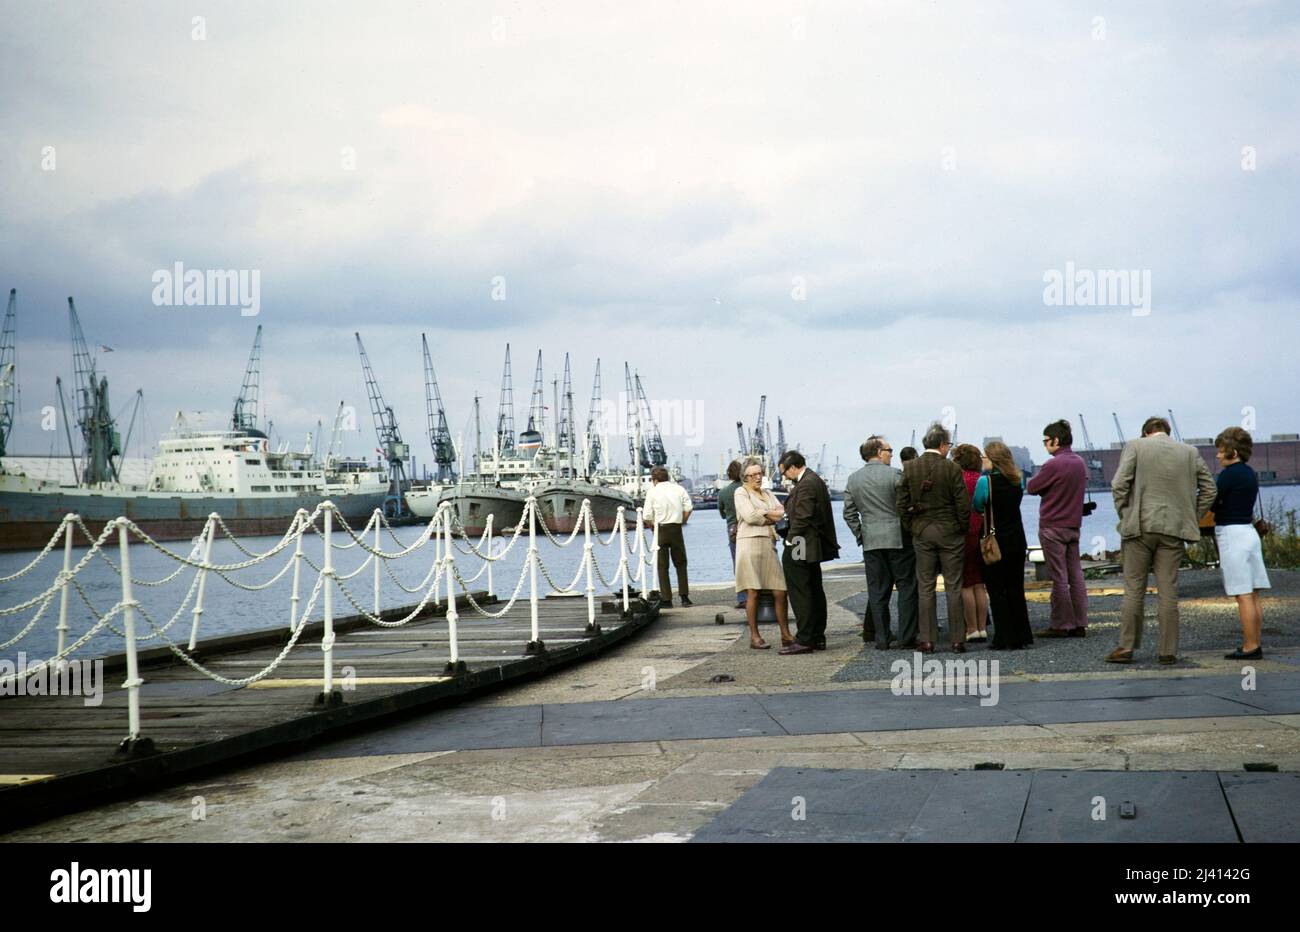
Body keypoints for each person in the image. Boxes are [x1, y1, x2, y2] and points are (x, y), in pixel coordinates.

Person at [1105, 416, 1216, 665]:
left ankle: (1126, 648)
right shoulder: (1190, 452)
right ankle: (1168, 651)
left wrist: (1126, 514)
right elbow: (1209, 489)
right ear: (1166, 432)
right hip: (1174, 529)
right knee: (1169, 591)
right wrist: (1191, 516)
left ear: (1146, 433)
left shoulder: (1135, 446)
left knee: (1134, 588)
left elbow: (1118, 485)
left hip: (1139, 527)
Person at [897, 423, 970, 654]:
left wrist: (912, 527)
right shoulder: (951, 468)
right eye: (947, 444)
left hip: (922, 531)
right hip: (950, 531)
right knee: (953, 586)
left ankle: (927, 640)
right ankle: (957, 640)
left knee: (925, 586)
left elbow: (901, 504)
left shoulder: (910, 468)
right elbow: (962, 504)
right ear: (941, 445)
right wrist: (961, 528)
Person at [843, 436, 918, 649]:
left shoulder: (853, 479)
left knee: (877, 592)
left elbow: (849, 513)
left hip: (871, 541)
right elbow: (908, 505)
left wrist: (861, 534)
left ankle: (882, 638)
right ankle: (906, 636)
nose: (891, 454)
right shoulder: (895, 475)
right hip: (898, 539)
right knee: (906, 588)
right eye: (889, 450)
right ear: (878, 452)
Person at [1211, 427, 1271, 660]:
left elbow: (1212, 500)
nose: (1217, 455)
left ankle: (1249, 646)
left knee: (1242, 594)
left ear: (1232, 452)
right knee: (1253, 594)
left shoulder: (1228, 475)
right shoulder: (1248, 473)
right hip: (1249, 532)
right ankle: (1255, 641)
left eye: (1221, 451)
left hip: (1232, 534)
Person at [1026, 419, 1089, 637]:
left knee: (1059, 577)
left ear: (1055, 440)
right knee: (1076, 575)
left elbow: (1032, 487)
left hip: (1053, 526)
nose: (1044, 445)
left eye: (1046, 440)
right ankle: (1080, 622)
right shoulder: (1080, 462)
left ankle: (1062, 624)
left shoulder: (1053, 464)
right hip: (1073, 525)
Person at [776, 450, 840, 655]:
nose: (784, 476)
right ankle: (816, 636)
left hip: (800, 545)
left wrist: (789, 542)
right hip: (809, 545)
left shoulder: (806, 484)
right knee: (813, 589)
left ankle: (805, 638)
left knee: (800, 591)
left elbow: (802, 517)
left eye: (784, 472)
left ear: (793, 467)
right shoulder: (814, 480)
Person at [974, 441, 1033, 649]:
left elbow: (977, 504)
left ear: (993, 459)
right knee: (1016, 588)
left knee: (997, 589)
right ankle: (1022, 634)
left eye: (985, 456)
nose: (983, 460)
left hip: (994, 540)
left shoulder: (985, 482)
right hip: (1017, 538)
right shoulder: (1018, 480)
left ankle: (1004, 636)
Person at [734, 460, 794, 649]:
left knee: (780, 591)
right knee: (753, 591)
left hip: (769, 543)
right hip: (749, 544)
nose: (758, 477)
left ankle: (785, 634)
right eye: (753, 475)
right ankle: (755, 636)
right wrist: (770, 514)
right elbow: (750, 517)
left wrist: (764, 512)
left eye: (760, 473)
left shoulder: (768, 493)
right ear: (745, 477)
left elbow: (784, 513)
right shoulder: (741, 492)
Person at [952, 443, 990, 642]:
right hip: (982, 534)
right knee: (980, 584)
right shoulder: (983, 480)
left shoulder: (958, 480)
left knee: (966, 584)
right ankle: (983, 628)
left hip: (964, 535)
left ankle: (972, 628)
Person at [642, 466, 693, 607]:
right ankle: (684, 597)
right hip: (676, 528)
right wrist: (682, 521)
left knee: (662, 566)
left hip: (661, 529)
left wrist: (652, 526)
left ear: (654, 480)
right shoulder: (678, 489)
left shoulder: (652, 491)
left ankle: (667, 599)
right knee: (681, 563)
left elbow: (646, 516)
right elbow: (688, 507)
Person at [717, 460, 747, 609]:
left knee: (738, 563)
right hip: (749, 527)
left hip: (733, 529)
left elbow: (722, 514)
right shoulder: (747, 489)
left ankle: (742, 598)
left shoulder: (723, 493)